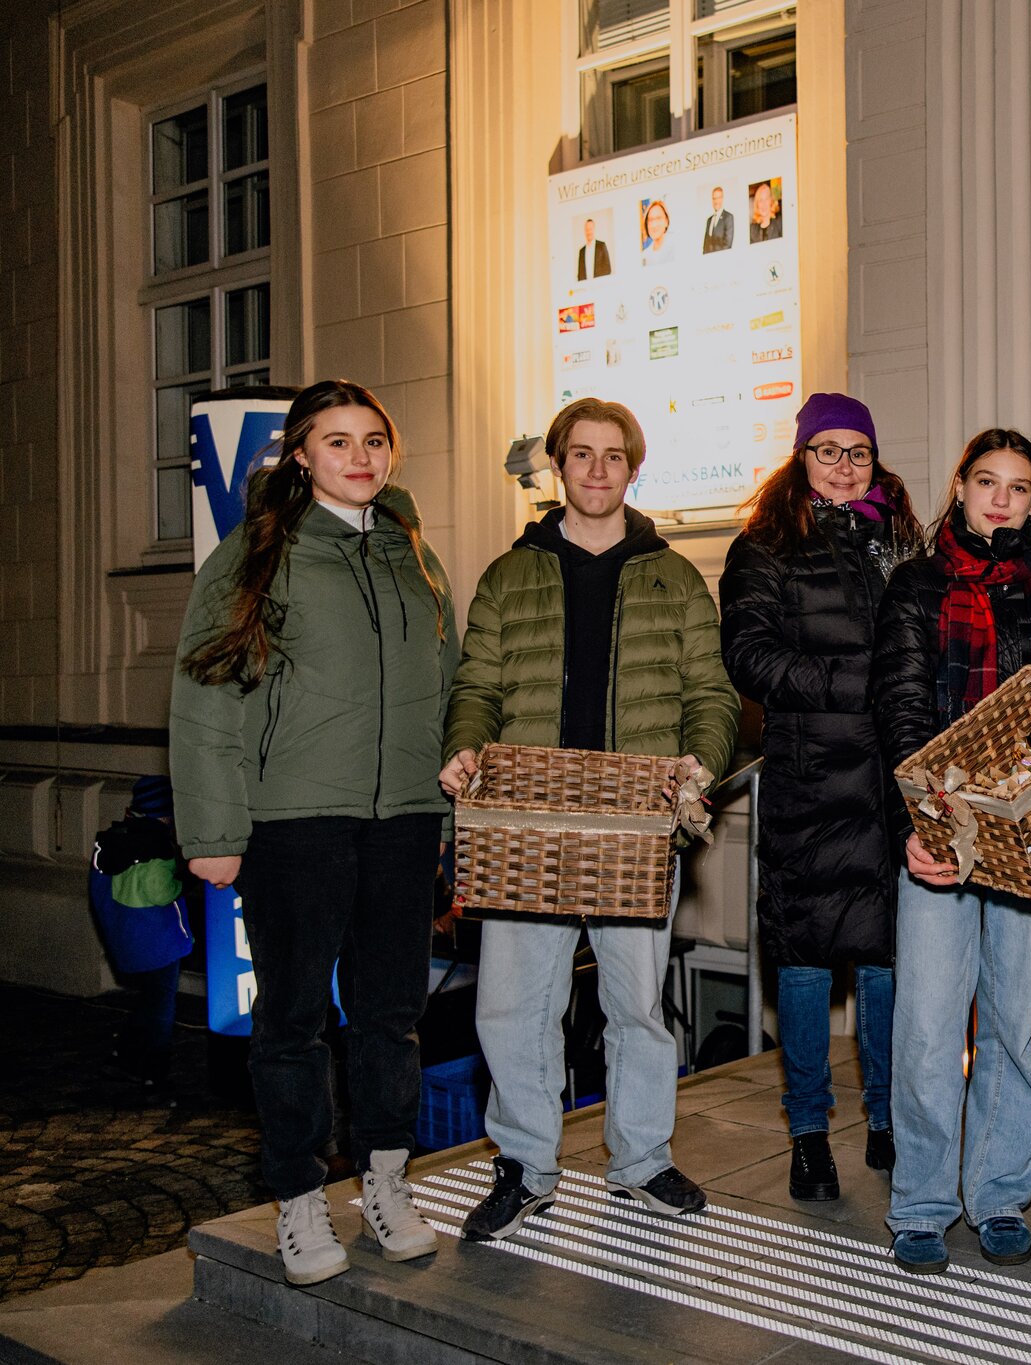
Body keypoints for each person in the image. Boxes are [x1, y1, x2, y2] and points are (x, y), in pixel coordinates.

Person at [171, 379, 457, 1287]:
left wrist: (447, 811)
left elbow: (446, 689)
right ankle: (298, 1198)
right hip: (294, 820)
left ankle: (386, 1182)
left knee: (391, 1016)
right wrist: (213, 828)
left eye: (373, 439)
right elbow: (207, 695)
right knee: (293, 1020)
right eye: (337, 441)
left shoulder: (412, 552)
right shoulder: (258, 551)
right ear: (300, 454)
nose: (360, 457)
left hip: (403, 818)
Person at [439, 398, 740, 1241]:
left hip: (633, 825)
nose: (598, 470)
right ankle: (524, 1166)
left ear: (633, 469)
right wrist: (465, 745)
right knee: (513, 1007)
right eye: (582, 454)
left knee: (635, 1006)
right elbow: (477, 685)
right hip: (527, 820)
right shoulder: (509, 575)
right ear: (558, 465)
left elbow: (711, 693)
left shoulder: (675, 578)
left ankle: (641, 1159)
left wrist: (701, 759)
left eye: (614, 456)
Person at [871, 429, 1031, 1275]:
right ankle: (922, 1203)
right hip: (942, 829)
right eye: (987, 481)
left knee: (1011, 1020)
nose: (1002, 499)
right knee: (930, 1024)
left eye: (1020, 486)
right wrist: (917, 828)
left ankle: (999, 1192)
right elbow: (900, 708)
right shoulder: (917, 585)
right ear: (960, 487)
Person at [721, 393, 918, 1203]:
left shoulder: (899, 542)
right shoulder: (765, 544)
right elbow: (749, 656)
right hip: (806, 782)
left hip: (886, 782)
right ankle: (808, 1132)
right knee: (802, 962)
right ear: (800, 458)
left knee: (885, 957)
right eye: (827, 449)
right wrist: (855, 684)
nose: (843, 465)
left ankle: (887, 1119)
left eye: (857, 451)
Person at [88, 774, 194, 1096]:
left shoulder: (113, 842)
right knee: (161, 1007)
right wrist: (182, 882)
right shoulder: (156, 849)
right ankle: (153, 1070)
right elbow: (161, 892)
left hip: (127, 941)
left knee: (147, 1002)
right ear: (166, 815)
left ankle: (123, 1057)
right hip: (158, 945)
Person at [640, 199, 674, 264]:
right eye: (650, 220)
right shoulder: (644, 256)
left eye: (658, 218)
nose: (654, 225)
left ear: (666, 221)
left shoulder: (674, 247)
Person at [703, 187, 734, 253]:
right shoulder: (709, 220)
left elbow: (728, 245)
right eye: (714, 198)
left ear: (722, 199)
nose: (716, 201)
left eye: (718, 198)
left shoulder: (728, 217)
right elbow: (705, 245)